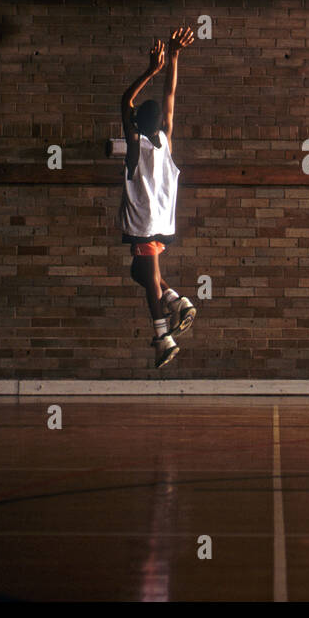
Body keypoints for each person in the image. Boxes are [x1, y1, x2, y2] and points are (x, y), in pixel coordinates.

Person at [120, 26, 196, 368]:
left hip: (144, 223)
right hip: (164, 220)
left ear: (135, 125)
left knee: (148, 276)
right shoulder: (165, 139)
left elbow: (125, 102)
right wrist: (175, 56)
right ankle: (176, 301)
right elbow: (171, 95)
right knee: (139, 272)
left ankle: (163, 336)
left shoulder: (135, 149)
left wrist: (150, 69)